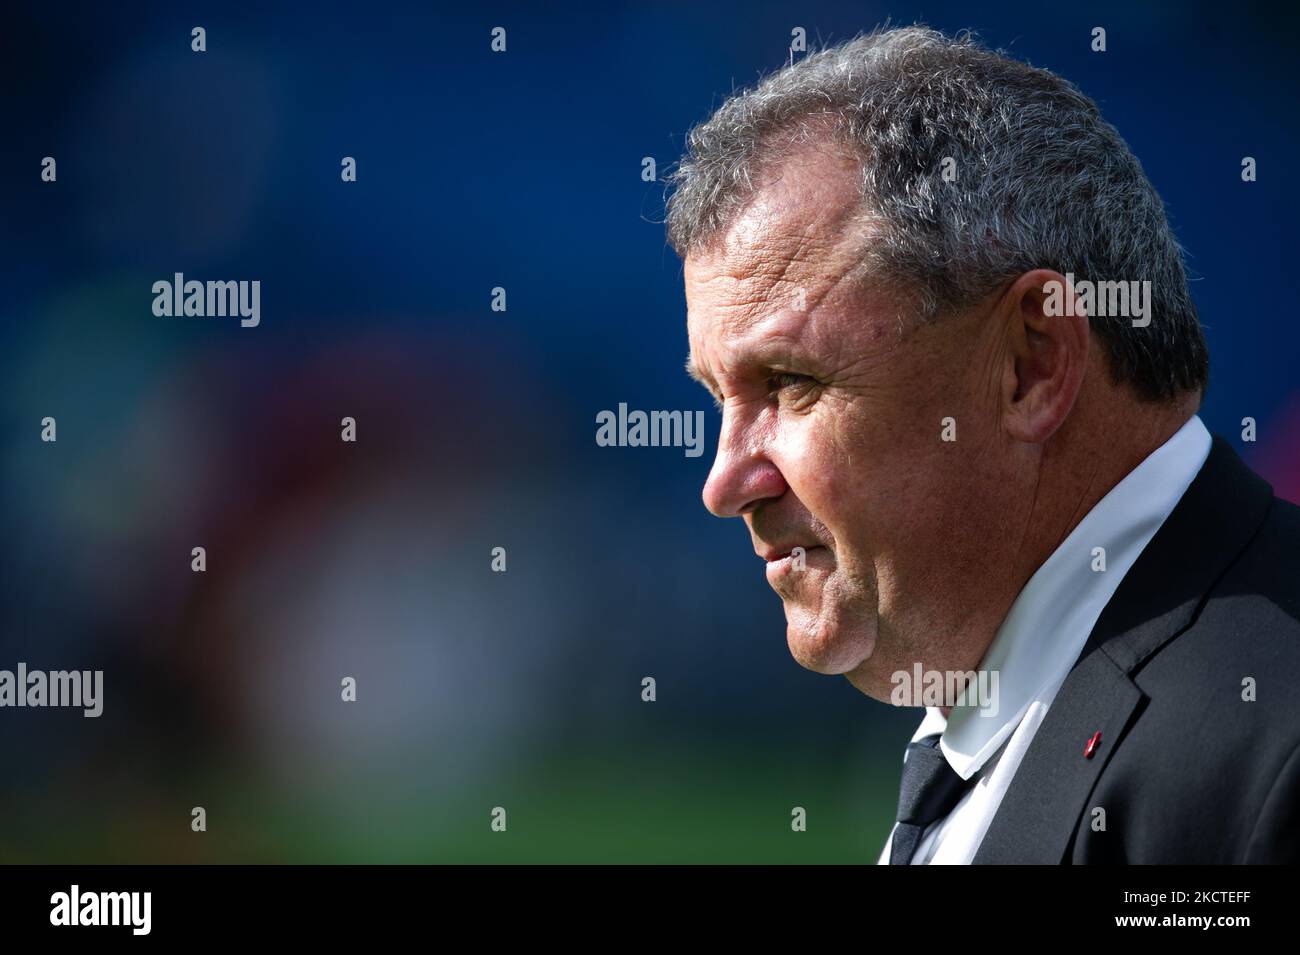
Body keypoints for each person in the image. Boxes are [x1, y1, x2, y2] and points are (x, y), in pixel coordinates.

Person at [666, 25, 1300, 863]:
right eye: (718, 397)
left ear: (1032, 365)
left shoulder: (1270, 759)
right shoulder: (993, 705)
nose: (725, 482)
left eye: (790, 383)